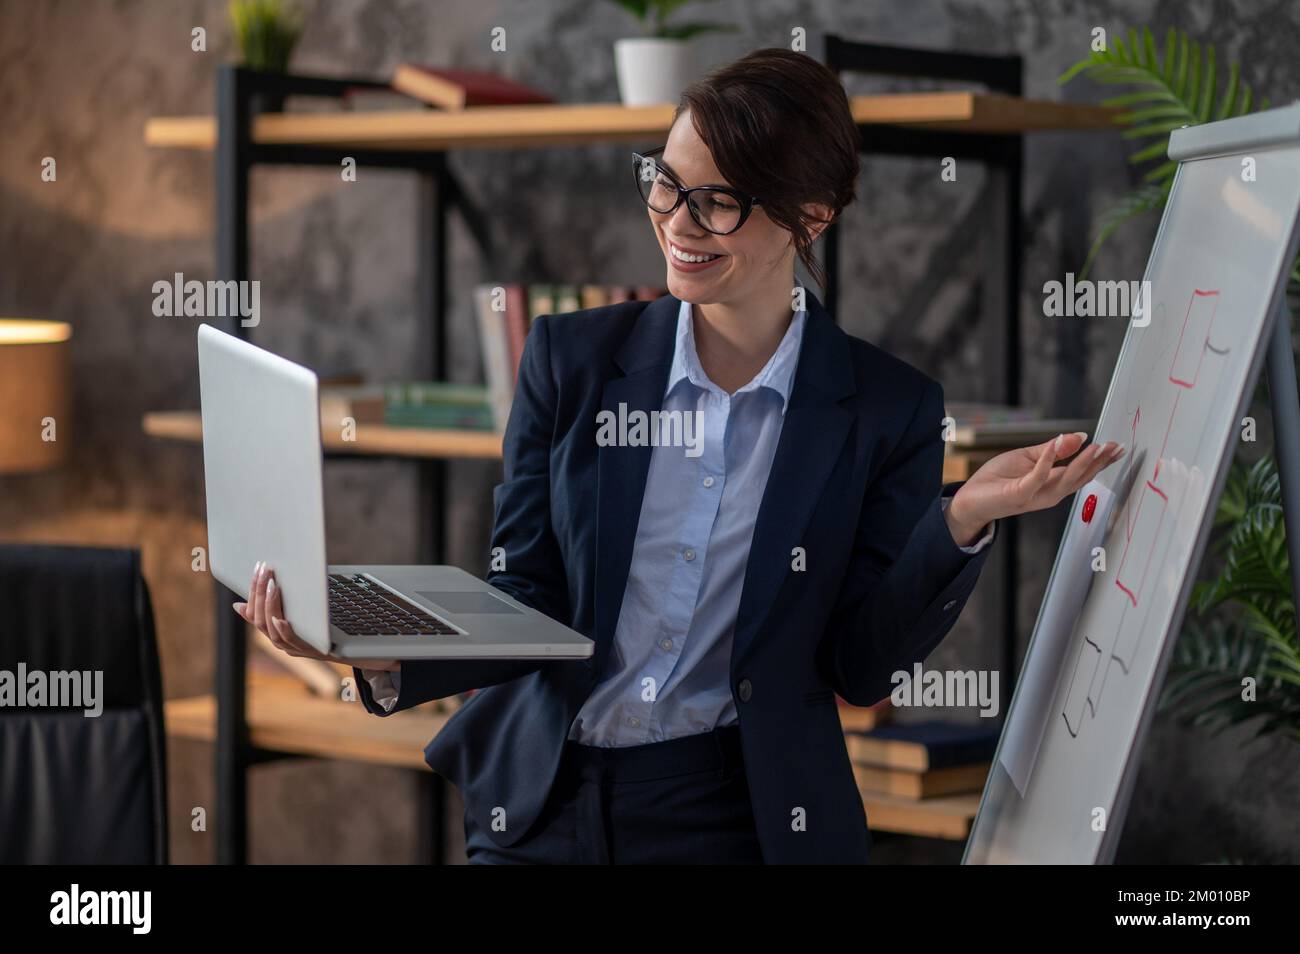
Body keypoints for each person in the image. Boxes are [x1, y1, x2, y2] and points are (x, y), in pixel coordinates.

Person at [236, 48, 1124, 864]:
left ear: (808, 217)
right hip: (542, 804)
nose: (677, 222)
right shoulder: (569, 361)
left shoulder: (886, 410)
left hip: (732, 814)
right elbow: (529, 594)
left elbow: (858, 667)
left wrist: (961, 519)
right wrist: (381, 651)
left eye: (718, 201)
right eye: (664, 184)